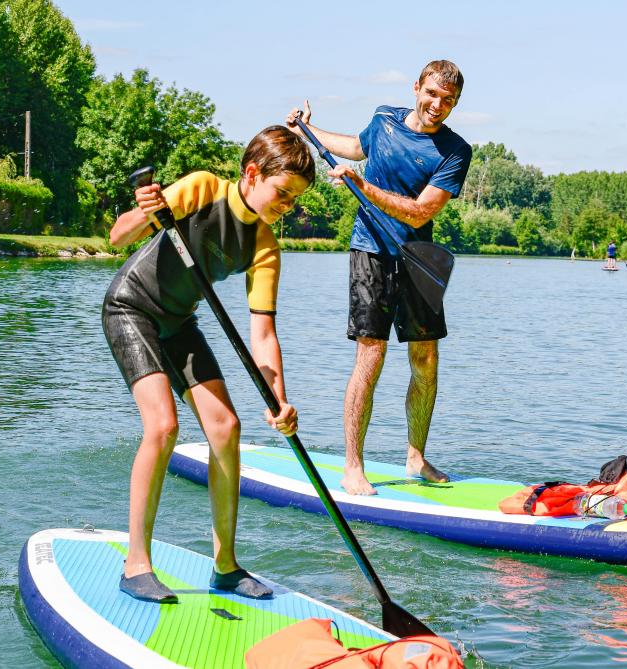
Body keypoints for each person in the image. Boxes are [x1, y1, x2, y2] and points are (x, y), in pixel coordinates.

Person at [102, 126, 313, 602]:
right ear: (252, 173)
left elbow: (263, 333)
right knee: (163, 426)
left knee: (226, 427)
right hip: (131, 308)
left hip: (179, 322)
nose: (288, 206)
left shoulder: (264, 246)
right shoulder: (202, 189)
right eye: (283, 193)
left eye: (295, 199)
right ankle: (136, 565)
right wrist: (146, 210)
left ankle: (226, 567)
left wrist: (278, 400)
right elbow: (118, 237)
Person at [286, 60, 472, 495]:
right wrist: (307, 132)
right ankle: (353, 466)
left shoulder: (455, 151)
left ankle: (416, 457)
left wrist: (362, 186)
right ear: (416, 87)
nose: (437, 105)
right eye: (432, 94)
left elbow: (421, 211)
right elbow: (355, 147)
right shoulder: (384, 118)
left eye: (448, 100)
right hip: (370, 250)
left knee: (426, 361)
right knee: (370, 357)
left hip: (418, 258)